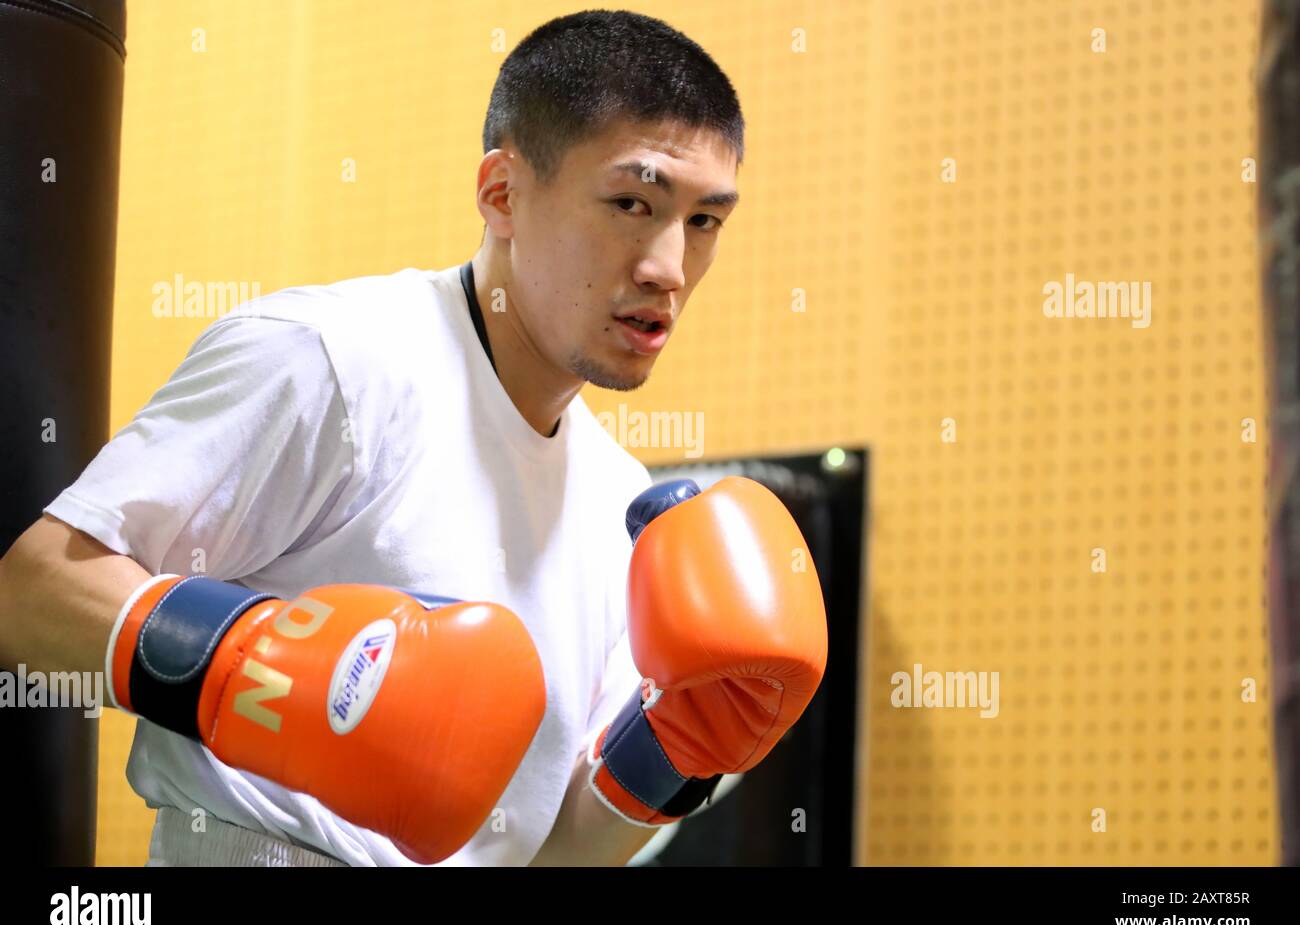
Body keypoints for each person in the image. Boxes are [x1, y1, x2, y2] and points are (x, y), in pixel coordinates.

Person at [0, 10, 822, 867]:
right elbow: (29, 595)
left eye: (705, 222)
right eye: (632, 202)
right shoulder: (334, 362)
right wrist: (244, 662)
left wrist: (678, 757)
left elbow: (556, 854)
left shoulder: (623, 508)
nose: (669, 266)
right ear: (502, 193)